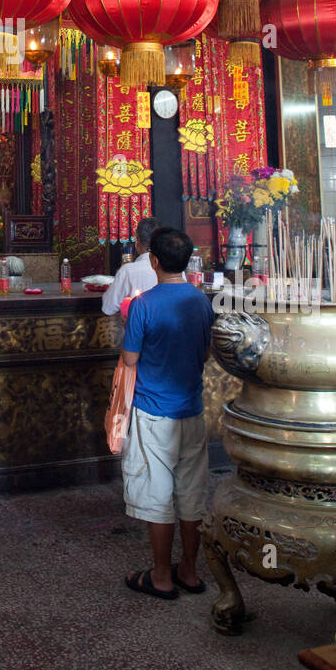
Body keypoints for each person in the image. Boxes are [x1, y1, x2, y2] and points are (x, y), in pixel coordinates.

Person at [120, 227, 215, 601]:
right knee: (192, 494)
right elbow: (206, 352)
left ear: (153, 260)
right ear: (188, 261)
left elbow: (130, 359)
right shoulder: (200, 301)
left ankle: (161, 575)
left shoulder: (143, 304)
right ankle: (189, 571)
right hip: (191, 409)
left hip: (153, 411)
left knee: (157, 493)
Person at [101, 215, 161, 316]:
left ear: (137, 241)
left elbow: (108, 307)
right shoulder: (174, 267)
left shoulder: (128, 271)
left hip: (137, 329)